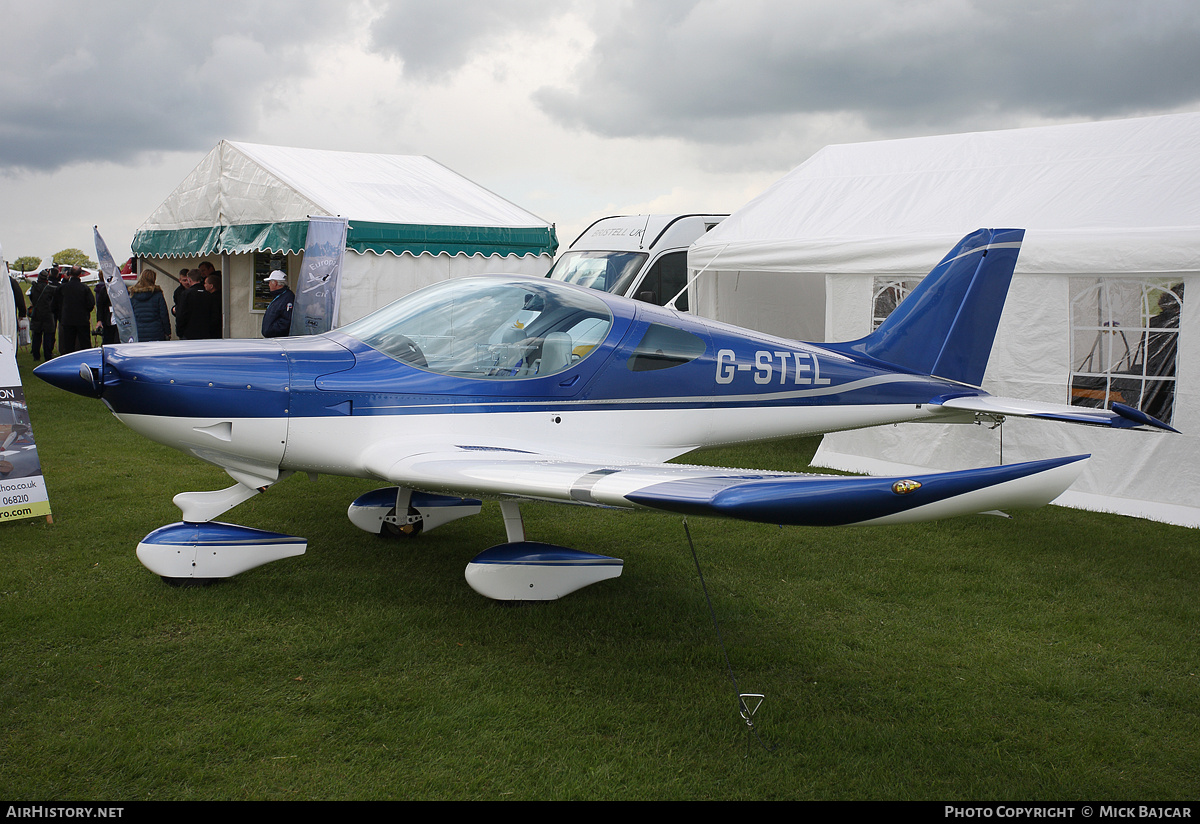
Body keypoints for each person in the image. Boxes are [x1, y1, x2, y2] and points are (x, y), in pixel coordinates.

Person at [54, 265, 94, 355]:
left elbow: (55, 304)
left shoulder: (62, 288)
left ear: (70, 274)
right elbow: (91, 304)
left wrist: (60, 316)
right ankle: (87, 359)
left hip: (67, 319)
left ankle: (70, 360)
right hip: (82, 319)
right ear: (80, 274)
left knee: (69, 345)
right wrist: (86, 313)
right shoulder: (84, 288)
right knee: (85, 344)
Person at [129, 270, 171, 341]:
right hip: (156, 331)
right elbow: (164, 314)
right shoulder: (158, 294)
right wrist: (168, 331)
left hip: (138, 331)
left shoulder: (133, 295)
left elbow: (130, 314)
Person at [27, 268, 58, 361]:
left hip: (36, 314)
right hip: (47, 315)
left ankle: (36, 356)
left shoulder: (34, 287)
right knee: (47, 337)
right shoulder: (50, 289)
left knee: (36, 337)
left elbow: (31, 298)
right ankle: (47, 356)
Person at [261, 270, 294, 338]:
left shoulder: (288, 297)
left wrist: (270, 330)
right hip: (273, 338)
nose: (269, 285)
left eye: (270, 282)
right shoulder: (280, 296)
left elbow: (287, 320)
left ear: (275, 283)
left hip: (279, 339)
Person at [204, 272, 223, 338]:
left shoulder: (211, 298)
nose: (204, 285)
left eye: (206, 283)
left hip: (214, 330)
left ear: (211, 286)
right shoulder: (222, 296)